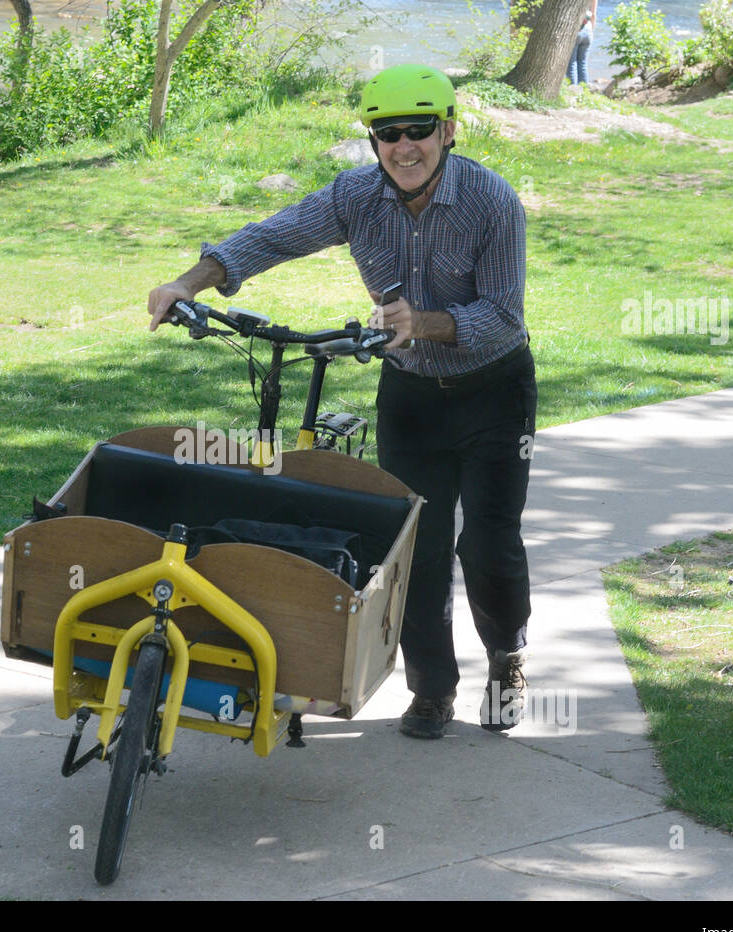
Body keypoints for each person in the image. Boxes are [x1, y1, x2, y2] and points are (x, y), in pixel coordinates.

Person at [146, 65, 536, 739]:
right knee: (417, 544)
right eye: (389, 133)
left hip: (494, 391)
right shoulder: (356, 196)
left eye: (419, 130)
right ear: (374, 140)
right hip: (411, 395)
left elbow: (503, 315)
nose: (404, 146)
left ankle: (506, 656)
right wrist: (188, 282)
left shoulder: (492, 202)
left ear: (448, 132)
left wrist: (427, 321)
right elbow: (273, 235)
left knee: (489, 545)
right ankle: (432, 688)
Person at [567, 8, 595, 86]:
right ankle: (584, 90)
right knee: (583, 62)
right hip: (588, 31)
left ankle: (572, 90)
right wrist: (592, 31)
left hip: (576, 30)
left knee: (572, 63)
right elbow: (593, 15)